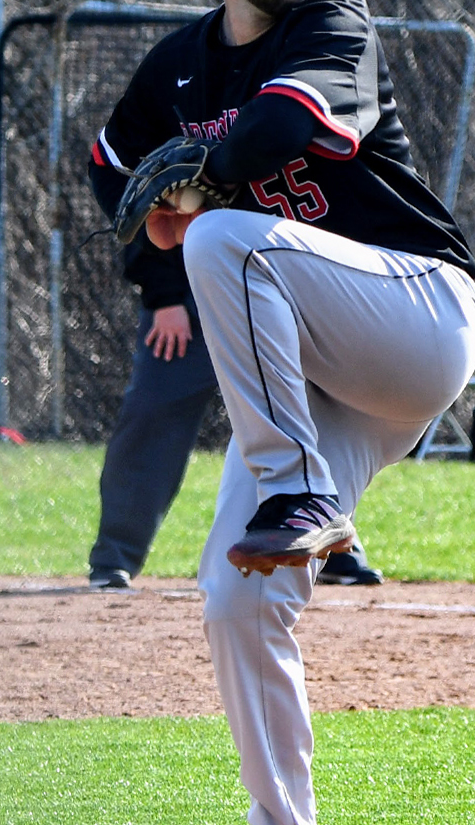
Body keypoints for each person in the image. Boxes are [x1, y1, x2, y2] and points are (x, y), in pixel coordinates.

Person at [87, 0, 475, 825]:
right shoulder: (183, 66)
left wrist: (192, 190)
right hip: (327, 373)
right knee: (234, 596)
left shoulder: (334, 24)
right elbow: (111, 167)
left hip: (418, 314)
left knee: (223, 236)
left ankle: (299, 490)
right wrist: (158, 221)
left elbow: (271, 132)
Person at [86, 236, 386, 590]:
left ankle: (329, 549)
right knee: (153, 419)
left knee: (311, 417)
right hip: (192, 296)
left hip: (282, 293)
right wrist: (164, 297)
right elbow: (150, 214)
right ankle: (114, 557)